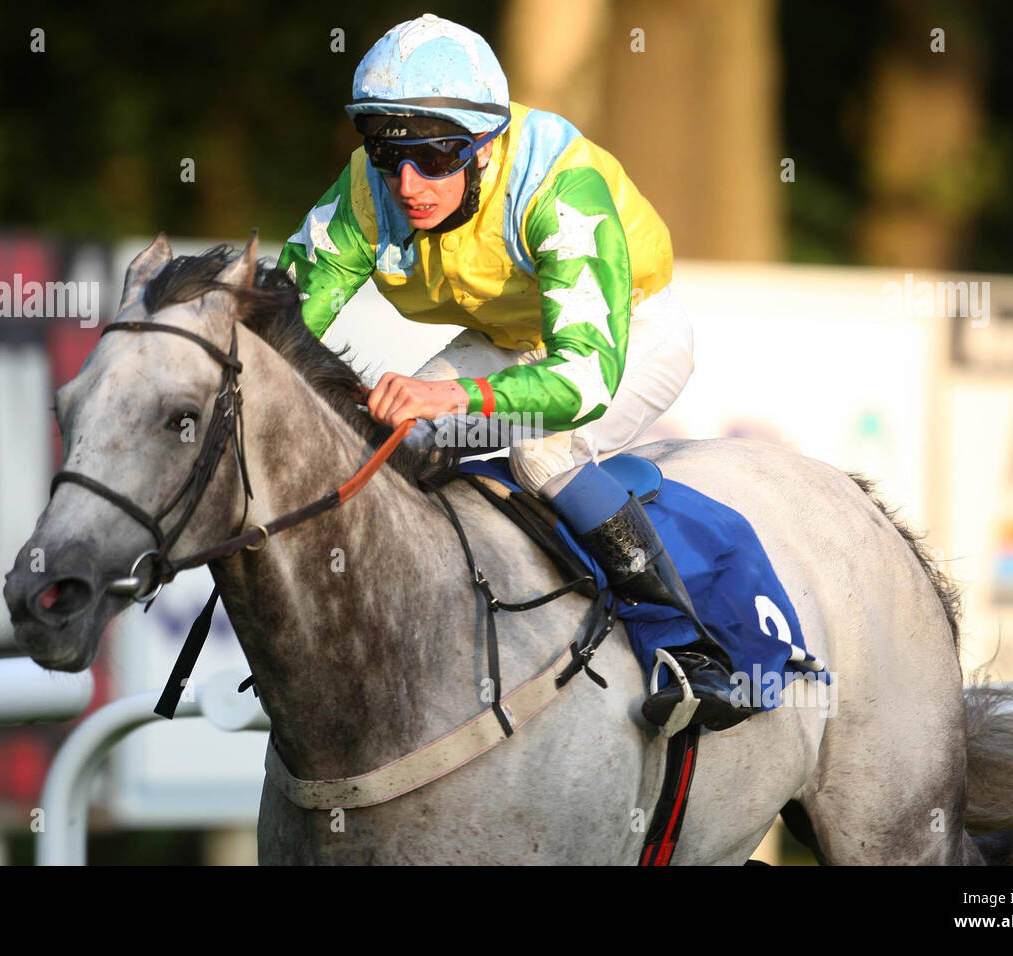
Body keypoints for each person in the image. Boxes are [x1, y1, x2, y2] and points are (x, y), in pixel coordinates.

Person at [278, 14, 757, 731]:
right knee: (395, 443)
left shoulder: (562, 189)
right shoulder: (367, 192)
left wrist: (452, 393)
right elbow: (281, 314)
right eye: (387, 150)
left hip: (629, 334)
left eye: (437, 155)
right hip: (508, 338)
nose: (408, 184)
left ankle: (689, 646)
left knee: (542, 448)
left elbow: (580, 382)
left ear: (486, 145)